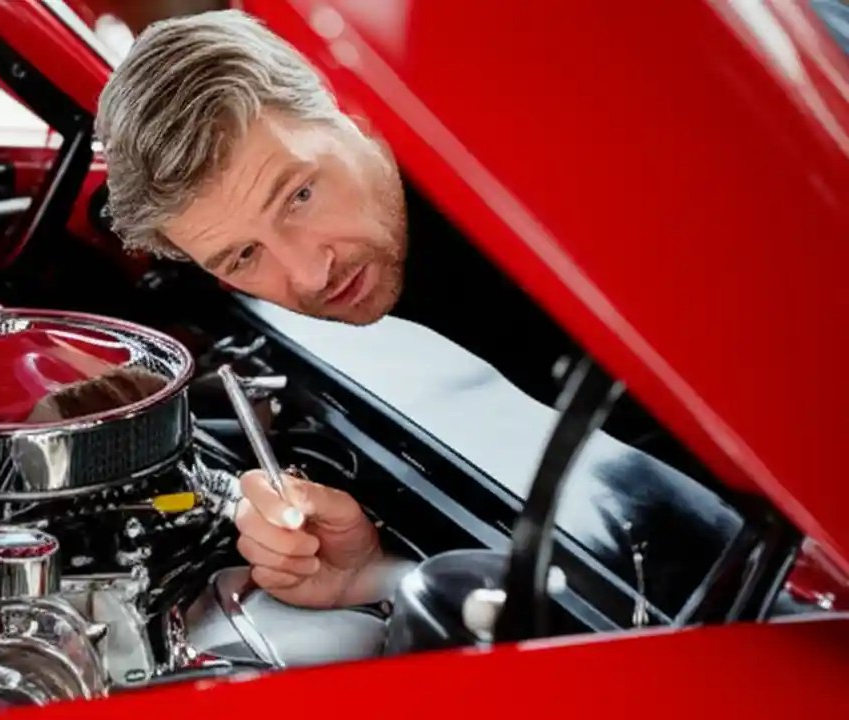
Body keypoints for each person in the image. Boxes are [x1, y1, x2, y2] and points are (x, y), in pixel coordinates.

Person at [95, 10, 577, 608]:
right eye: (244, 256)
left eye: (298, 196)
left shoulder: (552, 214)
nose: (308, 273)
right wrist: (376, 577)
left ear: (348, 104)